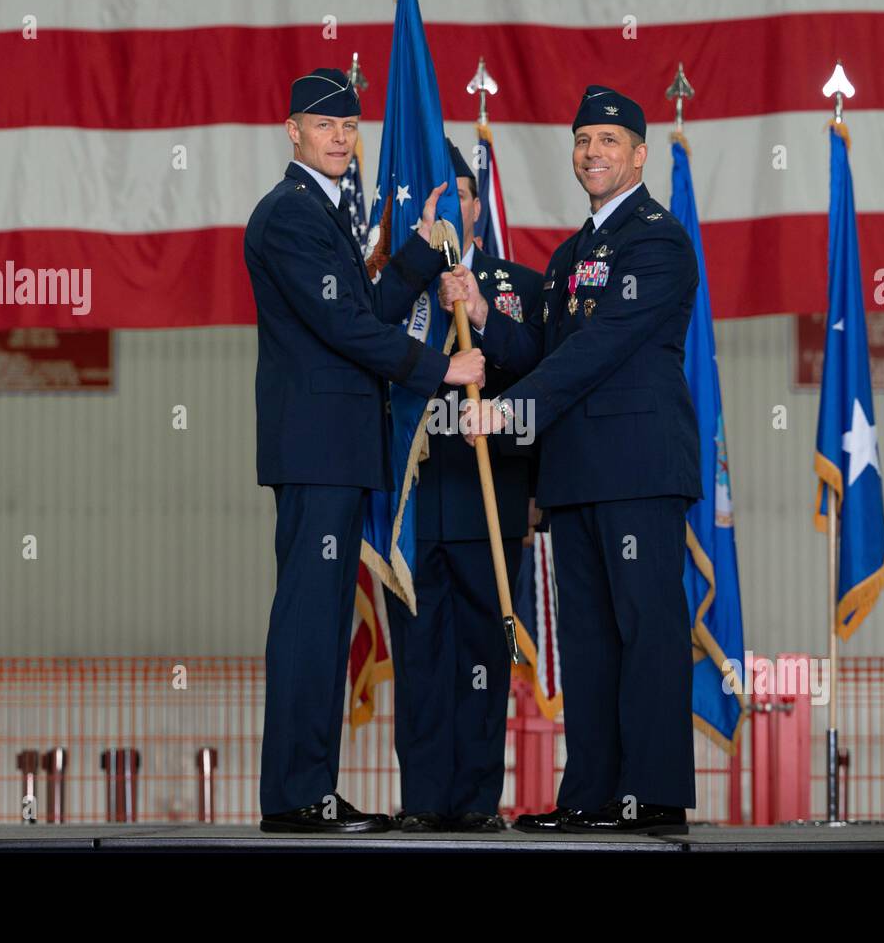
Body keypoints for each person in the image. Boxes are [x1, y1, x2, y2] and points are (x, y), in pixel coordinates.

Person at [445, 85, 702, 835]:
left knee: (646, 629)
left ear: (640, 154)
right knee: (588, 638)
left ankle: (651, 793)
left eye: (610, 142)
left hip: (638, 468)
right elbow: (543, 354)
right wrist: (490, 317)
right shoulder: (568, 255)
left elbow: (598, 350)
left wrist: (512, 411)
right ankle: (591, 793)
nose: (593, 152)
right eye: (584, 140)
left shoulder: (658, 239)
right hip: (576, 474)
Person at [244, 68, 485, 834]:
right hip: (317, 451)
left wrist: (415, 251)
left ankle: (309, 787)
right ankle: (295, 794)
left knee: (322, 629)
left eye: (349, 126)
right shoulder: (288, 216)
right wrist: (442, 368)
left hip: (339, 453)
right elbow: (345, 330)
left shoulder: (331, 217)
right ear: (293, 131)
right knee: (309, 628)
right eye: (324, 125)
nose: (342, 137)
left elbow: (365, 308)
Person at [384, 139, 543, 834]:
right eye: (438, 195)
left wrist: (481, 316)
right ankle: (423, 798)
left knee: (484, 656)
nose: (454, 206)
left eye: (463, 192)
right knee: (420, 661)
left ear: (478, 205)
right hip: (417, 508)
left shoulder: (519, 286)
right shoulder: (396, 290)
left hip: (490, 501)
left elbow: (544, 369)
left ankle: (477, 799)